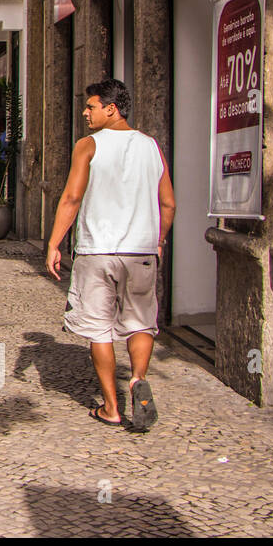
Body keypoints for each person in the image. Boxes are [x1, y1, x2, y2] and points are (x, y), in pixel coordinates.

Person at [46, 79, 176, 431]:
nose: (85, 113)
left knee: (99, 330)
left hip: (97, 252)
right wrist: (158, 240)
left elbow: (72, 198)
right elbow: (168, 202)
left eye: (90, 107)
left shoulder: (88, 146)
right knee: (140, 322)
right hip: (141, 251)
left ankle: (111, 406)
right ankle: (137, 379)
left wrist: (55, 243)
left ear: (111, 108)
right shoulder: (151, 147)